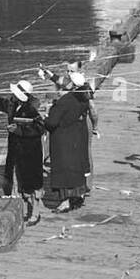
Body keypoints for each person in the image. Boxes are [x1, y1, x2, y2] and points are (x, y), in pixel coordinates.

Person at [0, 80, 45, 223]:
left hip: (30, 151)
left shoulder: (31, 110)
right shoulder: (13, 104)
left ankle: (35, 213)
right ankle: (20, 210)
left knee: (32, 183)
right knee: (16, 181)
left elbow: (40, 128)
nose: (12, 94)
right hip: (15, 149)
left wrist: (19, 130)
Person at [43, 71, 94, 213]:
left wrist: (45, 118)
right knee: (76, 167)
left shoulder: (64, 102)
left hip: (63, 140)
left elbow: (52, 123)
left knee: (63, 170)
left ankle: (65, 202)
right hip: (76, 138)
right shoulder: (82, 98)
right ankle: (78, 196)